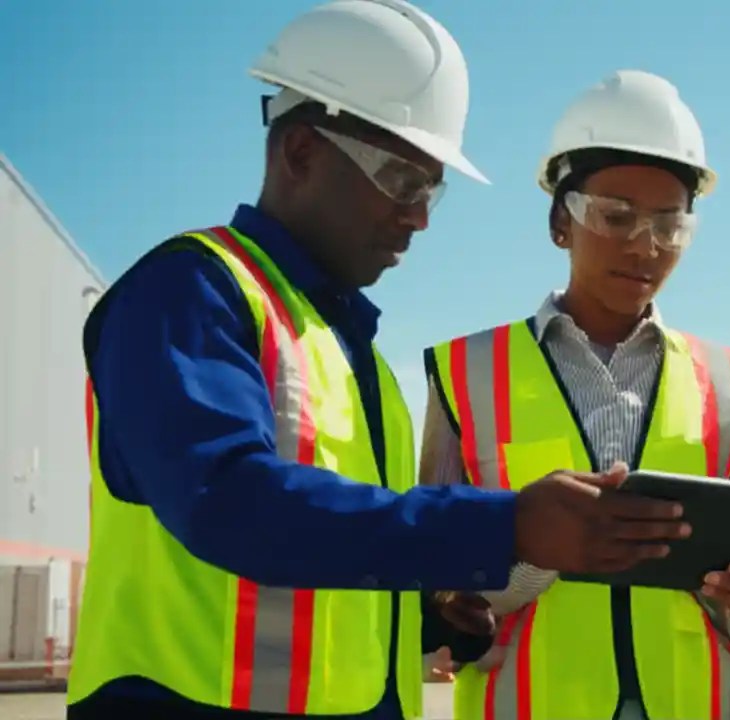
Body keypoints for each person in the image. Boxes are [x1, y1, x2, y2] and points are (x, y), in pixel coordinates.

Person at [67, 3, 691, 719]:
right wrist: (505, 526)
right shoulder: (190, 292)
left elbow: (338, 547)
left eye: (432, 188)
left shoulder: (346, 351)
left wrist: (424, 620)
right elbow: (226, 503)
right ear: (300, 153)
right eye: (402, 180)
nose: (420, 216)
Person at [417, 69, 730, 720]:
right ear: (559, 223)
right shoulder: (464, 374)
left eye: (669, 224)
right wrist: (532, 558)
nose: (644, 245)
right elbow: (431, 587)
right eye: (615, 216)